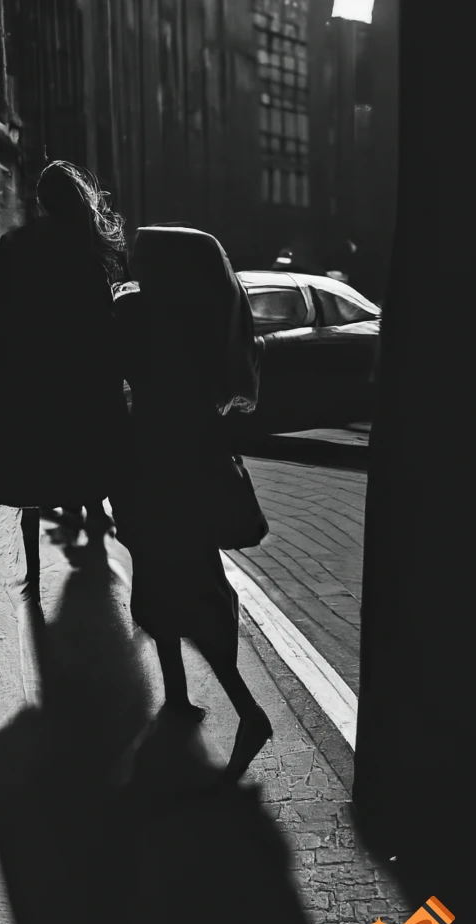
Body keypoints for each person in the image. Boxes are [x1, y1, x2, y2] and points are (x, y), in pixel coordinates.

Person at [113, 225, 273, 781]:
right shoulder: (202, 318)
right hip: (195, 458)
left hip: (152, 458)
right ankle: (181, 698)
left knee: (164, 578)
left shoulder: (139, 312)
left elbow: (113, 364)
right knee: (187, 575)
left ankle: (244, 710)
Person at [0, 160, 131, 598]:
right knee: (95, 464)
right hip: (81, 385)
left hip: (28, 384)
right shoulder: (90, 250)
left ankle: (30, 573)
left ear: (41, 202)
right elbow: (101, 326)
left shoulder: (16, 245)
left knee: (34, 478)